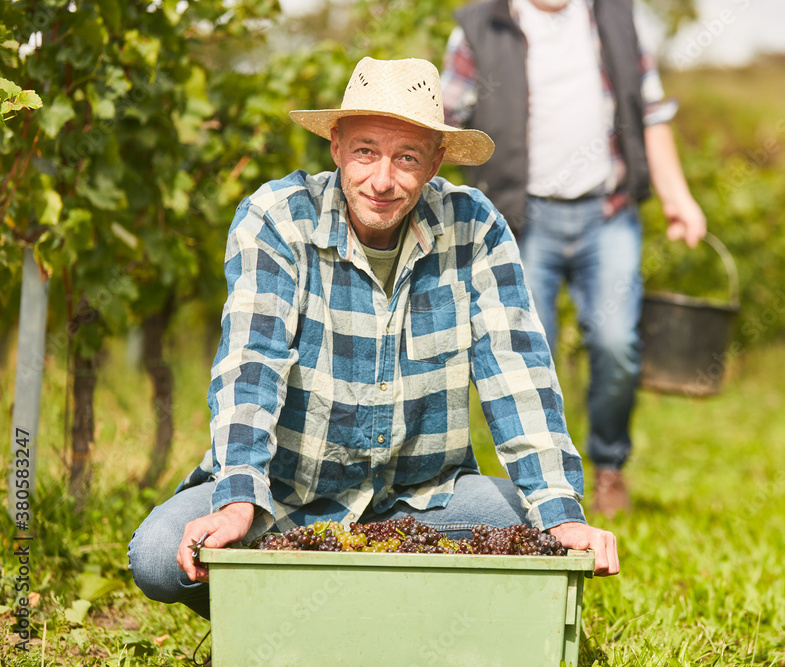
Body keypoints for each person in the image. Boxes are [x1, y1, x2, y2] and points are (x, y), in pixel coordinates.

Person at [128, 57, 619, 620]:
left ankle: (368, 616)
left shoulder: (474, 228)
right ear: (335, 145)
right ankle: (321, 616)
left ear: (436, 161)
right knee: (161, 555)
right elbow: (251, 363)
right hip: (284, 498)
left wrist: (560, 513)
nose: (382, 180)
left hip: (422, 502)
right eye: (365, 151)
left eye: (407, 157)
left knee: (531, 531)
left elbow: (516, 371)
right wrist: (239, 497)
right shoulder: (278, 220)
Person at [441, 0, 707, 517]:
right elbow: (446, 124)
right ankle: (544, 489)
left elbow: (650, 113)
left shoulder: (615, 16)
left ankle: (609, 467)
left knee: (615, 342)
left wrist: (679, 198)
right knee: (524, 356)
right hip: (522, 218)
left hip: (605, 212)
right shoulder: (483, 23)